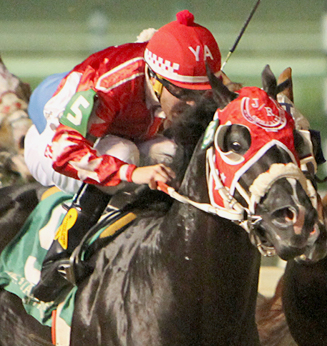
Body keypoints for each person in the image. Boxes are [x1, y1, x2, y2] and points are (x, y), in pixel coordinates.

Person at [24, 10, 222, 301]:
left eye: (201, 93)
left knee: (173, 155)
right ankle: (59, 258)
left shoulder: (180, 77)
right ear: (154, 79)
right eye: (182, 93)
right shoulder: (108, 84)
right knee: (123, 153)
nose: (193, 104)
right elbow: (65, 152)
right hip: (53, 147)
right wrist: (132, 174)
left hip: (123, 137)